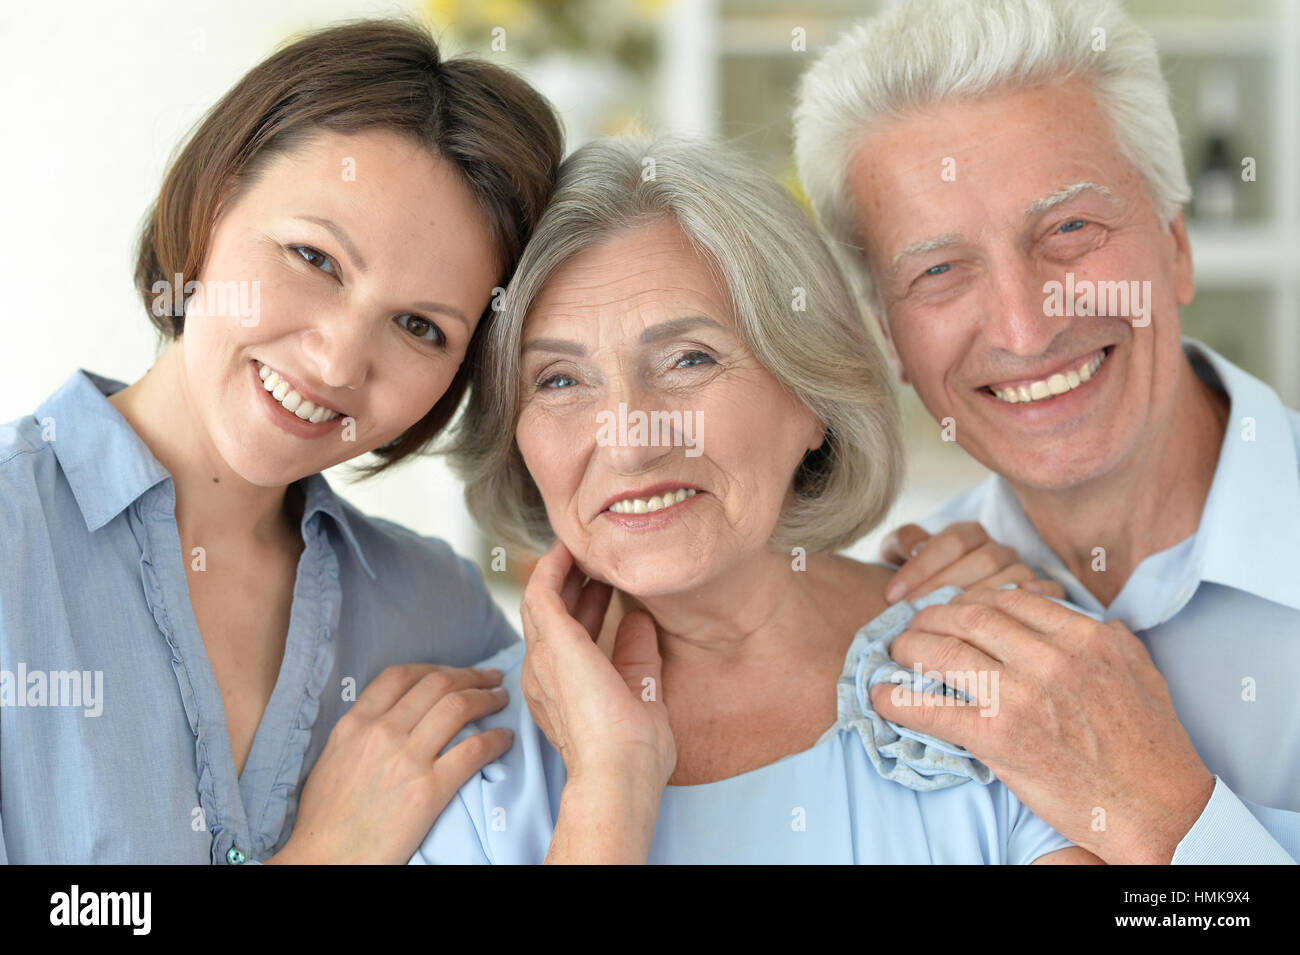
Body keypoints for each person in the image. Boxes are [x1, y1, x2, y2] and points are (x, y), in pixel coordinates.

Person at [410, 135, 1100, 864]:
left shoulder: (1009, 671)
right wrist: (610, 787)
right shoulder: (462, 760)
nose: (630, 443)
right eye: (558, 380)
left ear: (811, 396)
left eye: (688, 360)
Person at [0, 18, 562, 863]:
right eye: (315, 257)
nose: (338, 359)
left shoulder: (443, 620)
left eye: (420, 326)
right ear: (213, 200)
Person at [793, 0, 1298, 863]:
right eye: (940, 269)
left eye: (1070, 229)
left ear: (1175, 247)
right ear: (893, 342)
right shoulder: (894, 631)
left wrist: (1165, 813)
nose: (1025, 328)